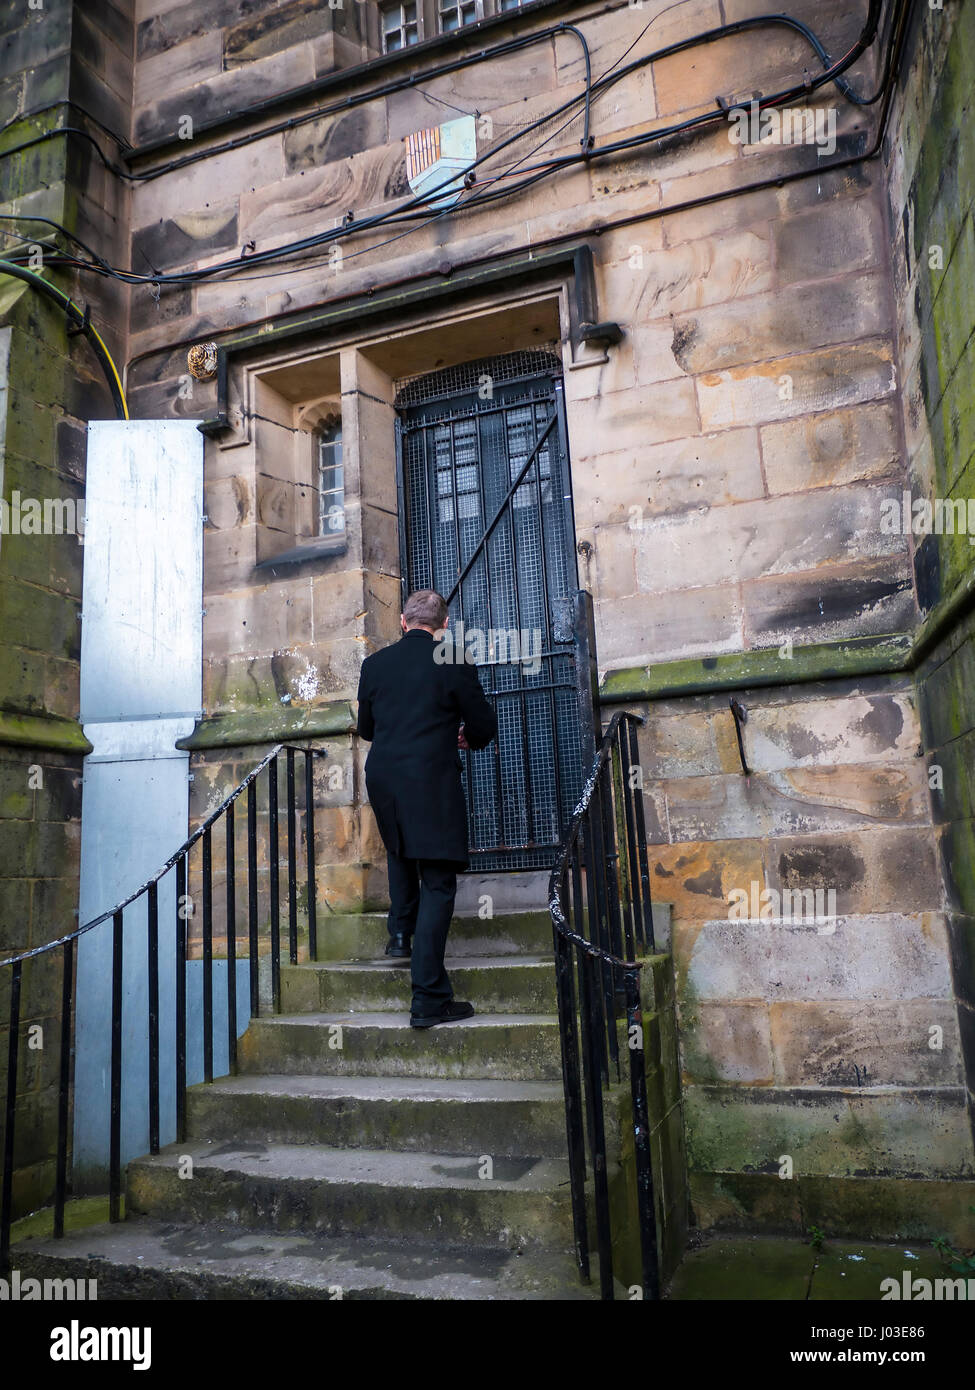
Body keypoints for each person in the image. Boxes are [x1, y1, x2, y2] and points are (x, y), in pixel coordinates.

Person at [355, 589, 498, 1028]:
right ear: (444, 625)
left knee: (400, 848)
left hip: (383, 776)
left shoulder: (374, 664)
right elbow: (483, 723)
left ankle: (400, 934)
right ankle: (429, 999)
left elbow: (366, 729)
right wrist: (465, 737)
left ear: (403, 621)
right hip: (428, 776)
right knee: (437, 881)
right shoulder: (452, 658)